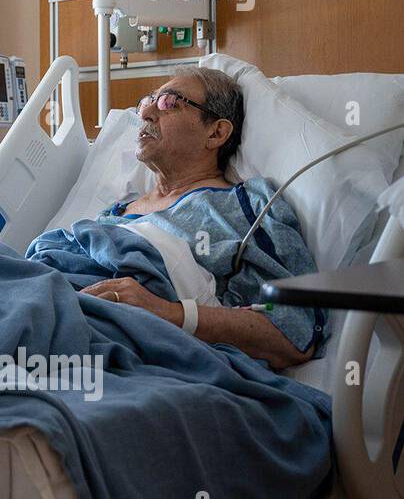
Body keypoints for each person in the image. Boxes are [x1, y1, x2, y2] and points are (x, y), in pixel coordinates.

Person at [29, 67, 321, 369]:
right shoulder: (114, 214)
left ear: (216, 132)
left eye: (169, 102)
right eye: (147, 102)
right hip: (40, 306)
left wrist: (165, 311)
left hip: (104, 349)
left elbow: (295, 330)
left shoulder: (246, 206)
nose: (147, 112)